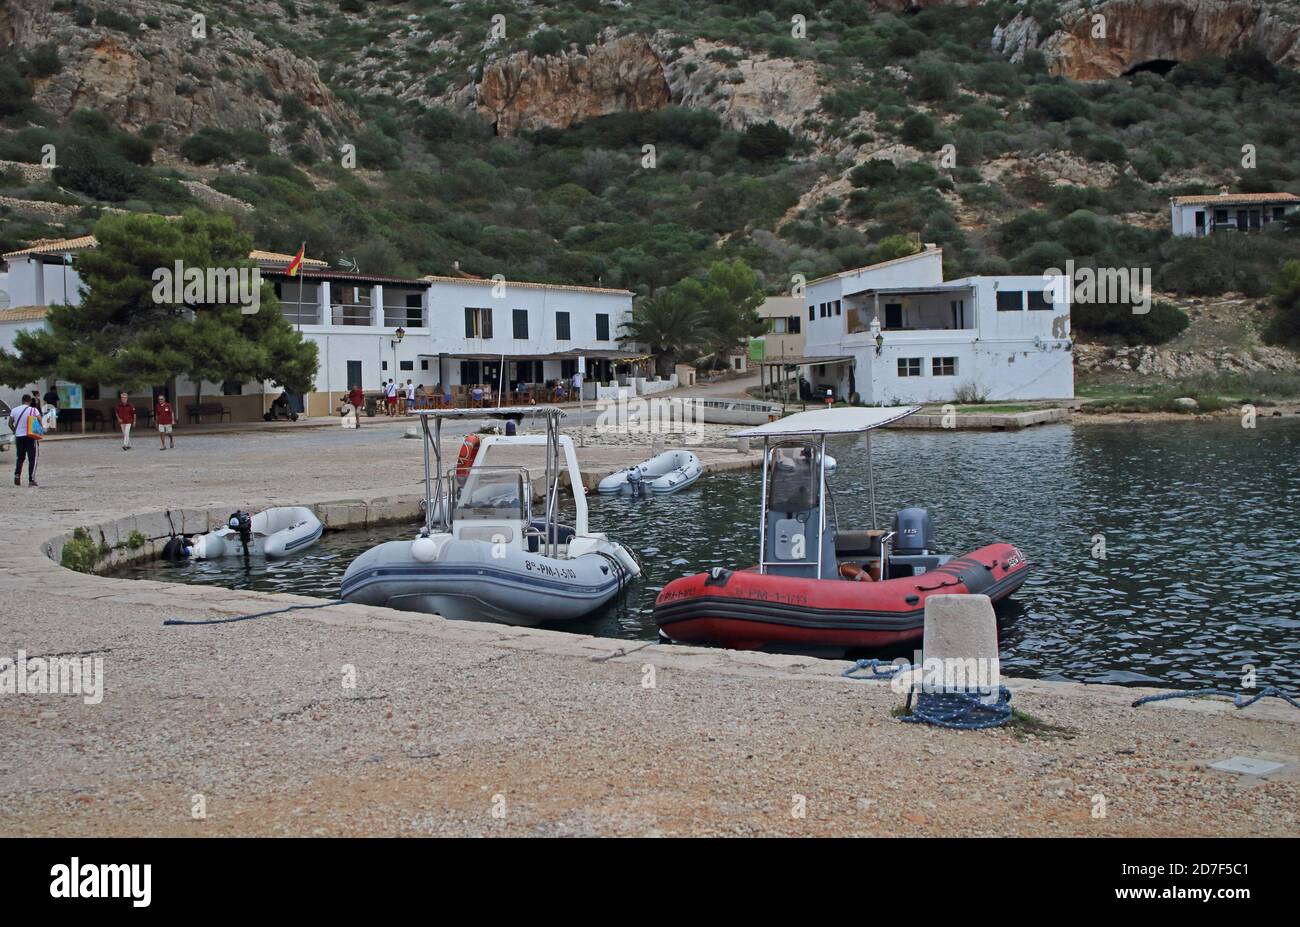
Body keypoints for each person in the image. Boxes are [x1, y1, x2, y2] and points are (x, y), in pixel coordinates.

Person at [10, 394, 41, 487]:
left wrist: (15, 430)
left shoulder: (14, 410)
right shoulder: (33, 410)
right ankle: (31, 479)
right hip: (30, 436)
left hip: (19, 436)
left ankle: (17, 474)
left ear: (22, 400)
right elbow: (40, 420)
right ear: (30, 401)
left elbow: (10, 423)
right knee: (32, 458)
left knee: (20, 457)